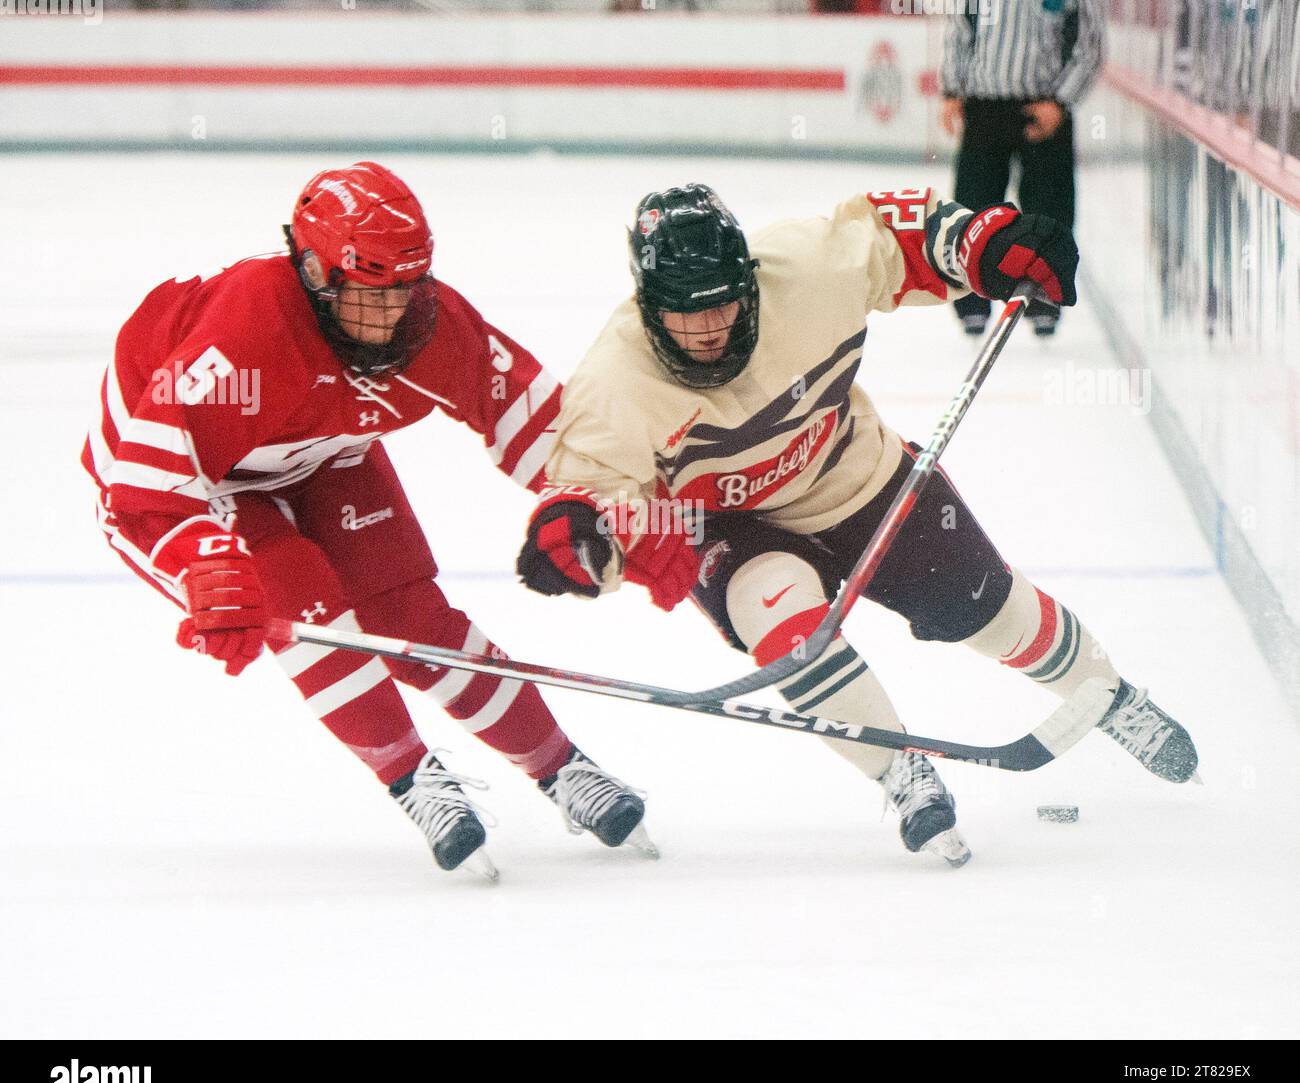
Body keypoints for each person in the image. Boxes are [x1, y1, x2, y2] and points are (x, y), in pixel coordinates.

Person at [516, 183, 1199, 868]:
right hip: (728, 524)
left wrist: (983, 242)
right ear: (645, 303)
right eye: (683, 313)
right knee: (784, 620)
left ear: (751, 279)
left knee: (988, 608)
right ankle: (897, 766)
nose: (710, 328)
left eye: (724, 301)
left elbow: (903, 234)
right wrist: (579, 541)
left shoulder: (805, 266)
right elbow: (591, 497)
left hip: (853, 474)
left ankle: (1112, 697)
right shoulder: (612, 383)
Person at [81, 161, 653, 880]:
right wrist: (207, 563)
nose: (393, 316)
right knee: (295, 588)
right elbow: (147, 488)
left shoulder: (431, 321)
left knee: (411, 614)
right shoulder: (247, 333)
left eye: (408, 287)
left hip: (317, 452)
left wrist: (590, 506)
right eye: (370, 292)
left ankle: (562, 767)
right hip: (189, 477)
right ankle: (416, 779)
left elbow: (549, 429)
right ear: (316, 273)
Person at [940, 0, 1105, 336]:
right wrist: (952, 90)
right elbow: (960, 29)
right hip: (984, 104)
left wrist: (1060, 99)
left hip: (1044, 105)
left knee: (1050, 206)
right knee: (973, 205)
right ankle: (971, 299)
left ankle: (1045, 299)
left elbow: (1090, 42)